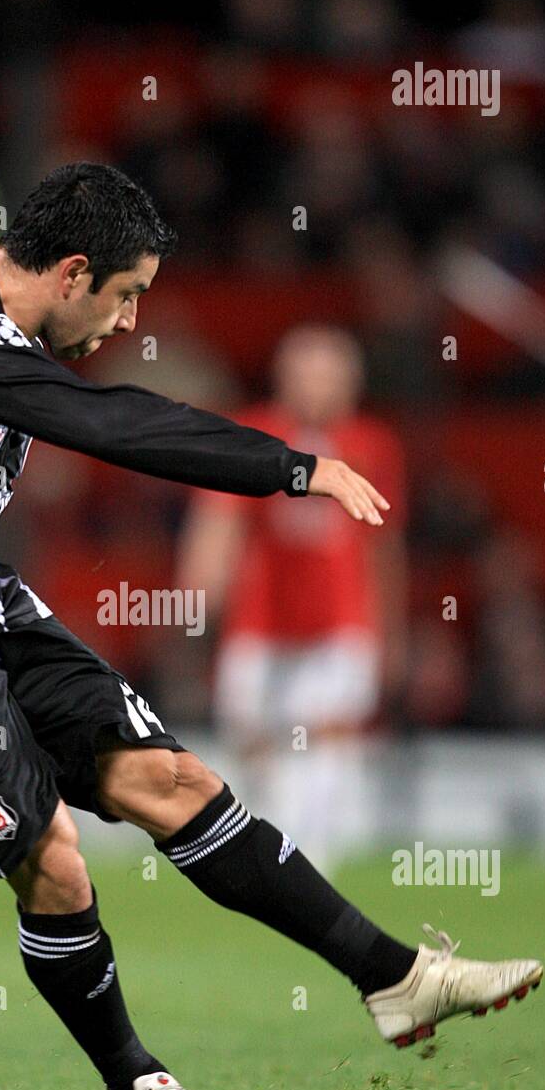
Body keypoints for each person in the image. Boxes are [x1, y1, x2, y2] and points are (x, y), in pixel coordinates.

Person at [0, 163, 542, 1090]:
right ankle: (136, 1086)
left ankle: (396, 979)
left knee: (170, 781)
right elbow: (109, 423)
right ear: (69, 273)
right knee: (52, 856)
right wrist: (289, 465)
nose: (128, 321)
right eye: (125, 293)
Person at [178, 325, 406, 870]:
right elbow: (219, 520)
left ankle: (312, 868)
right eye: (307, 373)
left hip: (340, 626)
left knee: (327, 746)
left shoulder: (372, 445)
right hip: (259, 625)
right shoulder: (255, 435)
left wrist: (389, 633)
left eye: (328, 375)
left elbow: (383, 547)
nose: (317, 386)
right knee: (254, 747)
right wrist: (196, 596)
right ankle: (261, 863)